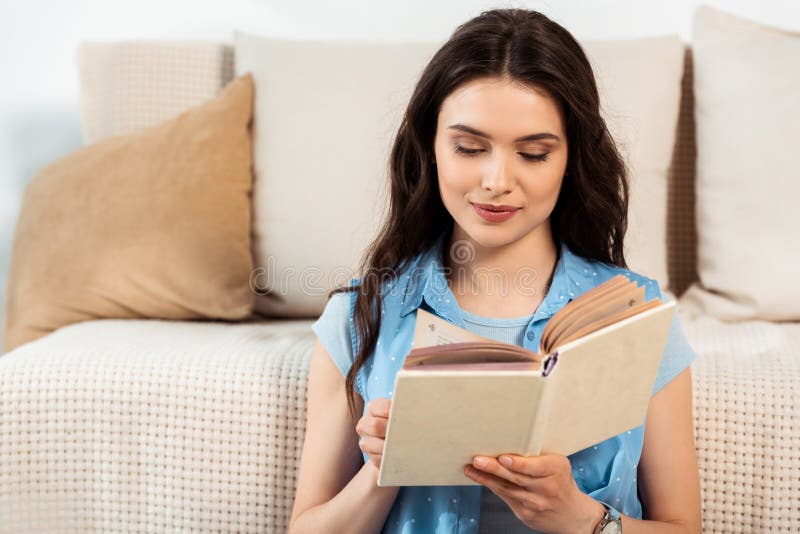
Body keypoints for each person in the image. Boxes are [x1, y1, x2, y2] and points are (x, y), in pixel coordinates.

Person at [289, 8, 701, 534]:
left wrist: (583, 519)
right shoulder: (359, 315)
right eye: (469, 148)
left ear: (571, 159)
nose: (496, 180)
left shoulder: (636, 316)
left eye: (532, 154)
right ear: (431, 148)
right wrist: (385, 469)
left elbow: (685, 527)